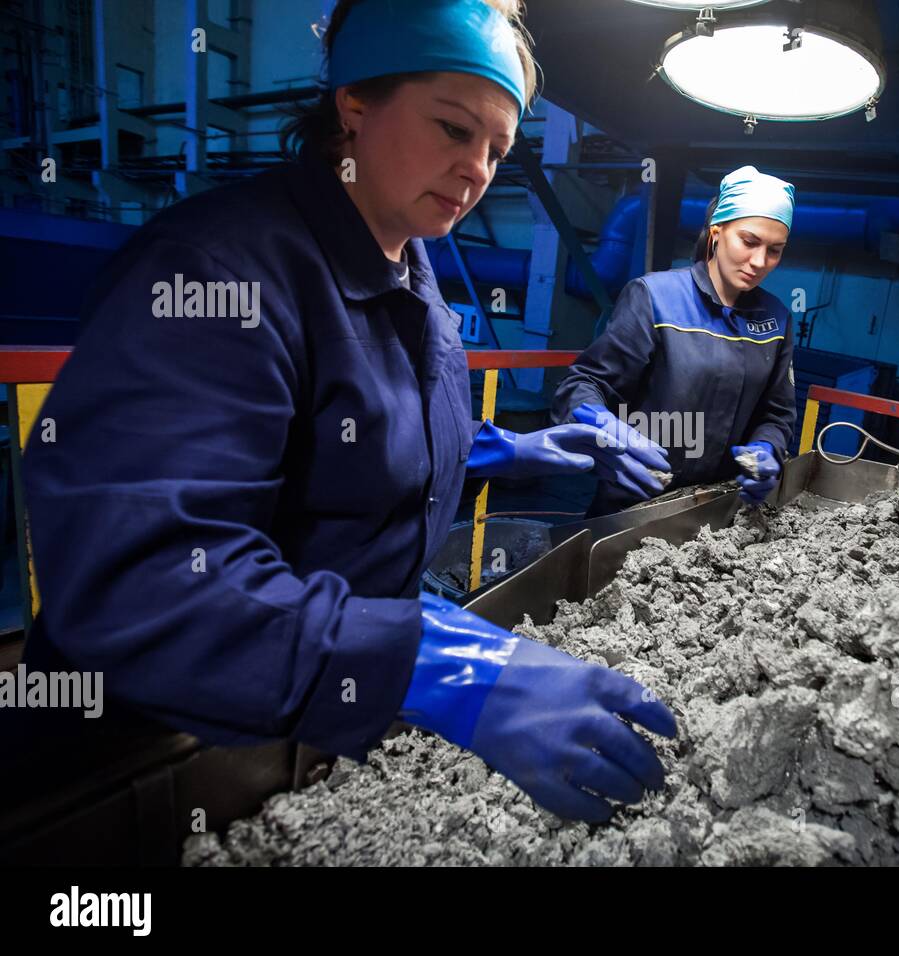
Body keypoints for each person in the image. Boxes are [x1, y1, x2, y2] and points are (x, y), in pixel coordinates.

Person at [20, 0, 675, 823]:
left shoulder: (412, 267)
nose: (477, 169)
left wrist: (503, 450)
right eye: (451, 128)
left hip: (282, 735)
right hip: (128, 762)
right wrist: (435, 663)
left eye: (498, 150)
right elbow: (143, 583)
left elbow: (344, 438)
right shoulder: (214, 276)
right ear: (354, 106)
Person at [552, 165, 798, 517]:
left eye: (775, 250)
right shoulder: (655, 297)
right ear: (717, 232)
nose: (760, 261)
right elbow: (583, 384)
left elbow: (778, 413)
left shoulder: (776, 319)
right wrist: (602, 424)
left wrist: (768, 448)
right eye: (749, 241)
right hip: (637, 502)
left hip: (721, 510)